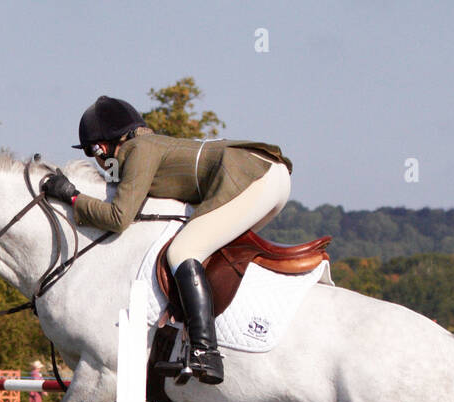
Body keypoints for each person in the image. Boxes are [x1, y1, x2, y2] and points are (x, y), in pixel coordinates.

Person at [40, 95, 294, 386]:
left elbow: (118, 217)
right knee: (210, 256)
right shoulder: (149, 147)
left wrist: (71, 196)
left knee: (183, 251)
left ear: (105, 144)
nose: (97, 161)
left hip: (251, 176)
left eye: (93, 152)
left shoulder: (137, 150)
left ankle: (205, 351)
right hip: (268, 176)